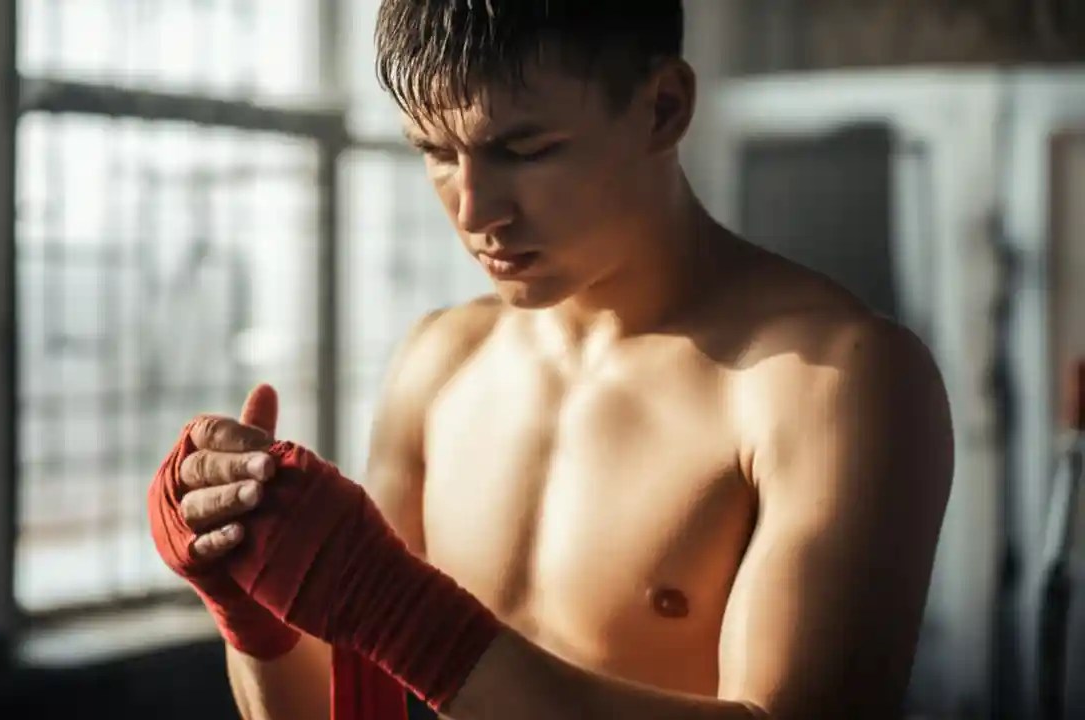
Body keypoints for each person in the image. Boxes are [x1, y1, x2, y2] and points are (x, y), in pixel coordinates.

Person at [146, 2, 956, 718]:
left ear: (663, 109)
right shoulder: (439, 364)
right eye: (435, 151)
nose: (475, 211)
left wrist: (407, 618)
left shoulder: (832, 380)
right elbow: (351, 708)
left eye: (524, 150)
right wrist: (252, 607)